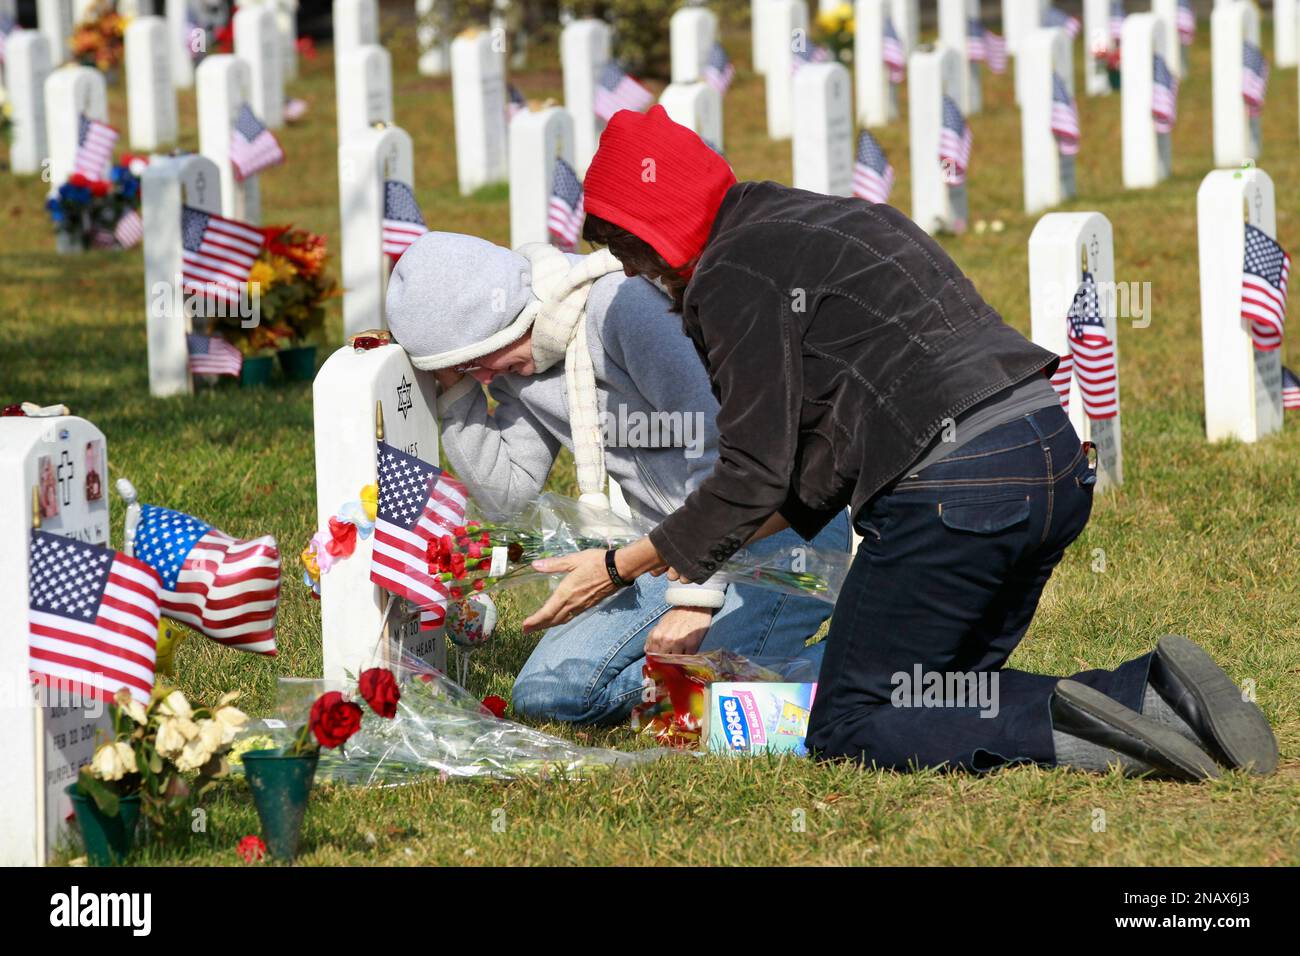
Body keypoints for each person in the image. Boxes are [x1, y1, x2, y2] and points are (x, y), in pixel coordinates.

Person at [520, 106, 1278, 779]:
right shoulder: (826, 220)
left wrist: (619, 566)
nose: (640, 278)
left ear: (656, 234)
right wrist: (687, 560)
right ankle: (1158, 700)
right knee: (933, 693)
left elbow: (749, 474)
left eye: (633, 257)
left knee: (852, 721)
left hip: (956, 491)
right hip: (1047, 457)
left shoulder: (729, 274)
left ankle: (1127, 711)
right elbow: (803, 480)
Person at [384, 231, 848, 725]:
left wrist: (694, 601)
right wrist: (457, 395)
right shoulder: (521, 362)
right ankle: (699, 681)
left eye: (477, 361)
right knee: (550, 695)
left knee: (721, 694)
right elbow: (506, 495)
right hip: (658, 551)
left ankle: (865, 667)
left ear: (502, 321)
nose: (483, 378)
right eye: (462, 368)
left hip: (774, 532)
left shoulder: (619, 306)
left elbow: (725, 453)